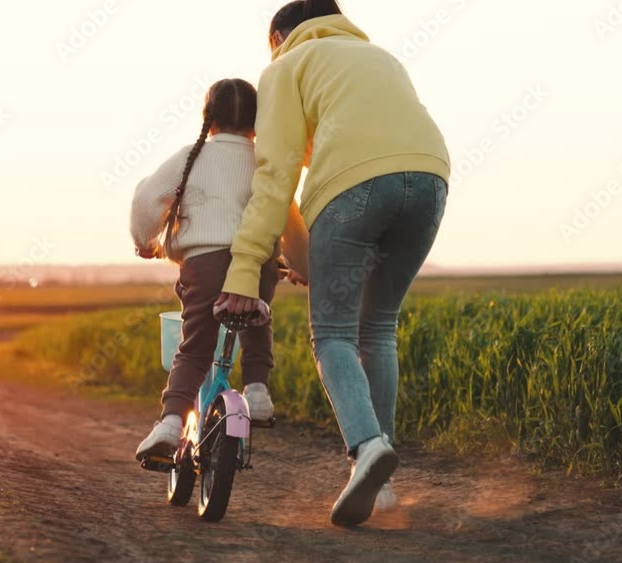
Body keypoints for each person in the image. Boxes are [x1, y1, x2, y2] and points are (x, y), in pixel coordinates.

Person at [216, 0, 450, 526]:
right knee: (380, 327)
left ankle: (366, 446)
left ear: (278, 37)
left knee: (334, 334)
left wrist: (243, 268)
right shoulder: (381, 58)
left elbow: (276, 179)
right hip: (431, 178)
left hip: (354, 187)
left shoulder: (285, 66)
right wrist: (310, 260)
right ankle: (381, 483)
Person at [130, 78, 309, 462]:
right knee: (258, 322)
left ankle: (170, 425)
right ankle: (258, 393)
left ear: (208, 121)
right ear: (258, 123)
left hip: (204, 265)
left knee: (195, 348)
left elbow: (146, 200)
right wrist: (301, 265)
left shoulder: (191, 158)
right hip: (259, 263)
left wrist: (146, 242)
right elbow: (288, 218)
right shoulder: (265, 162)